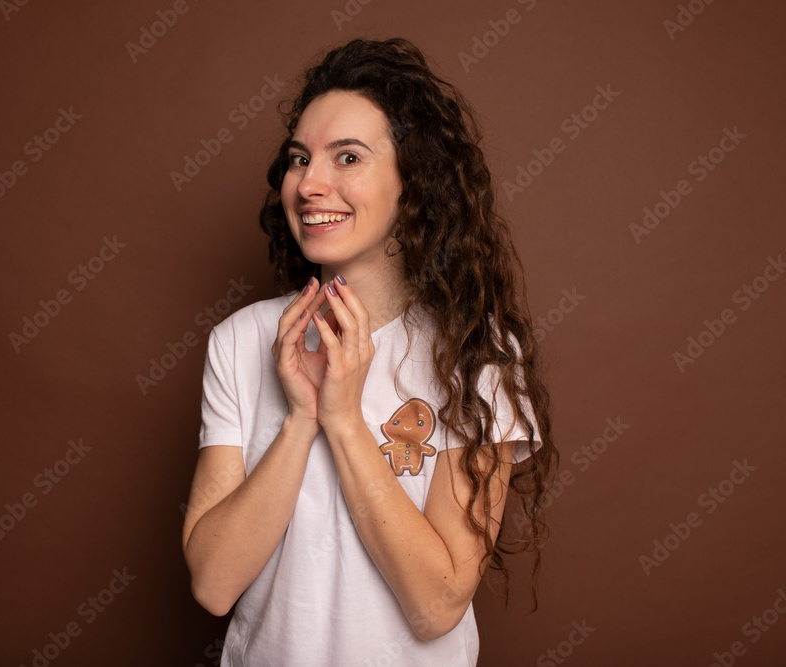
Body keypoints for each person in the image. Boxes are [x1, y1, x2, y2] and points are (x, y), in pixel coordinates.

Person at [182, 37, 557, 666]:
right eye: (300, 159)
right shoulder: (240, 341)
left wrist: (344, 420)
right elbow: (213, 585)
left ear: (414, 184)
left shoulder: (478, 353)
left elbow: (437, 605)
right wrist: (301, 418)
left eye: (348, 157)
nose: (309, 184)